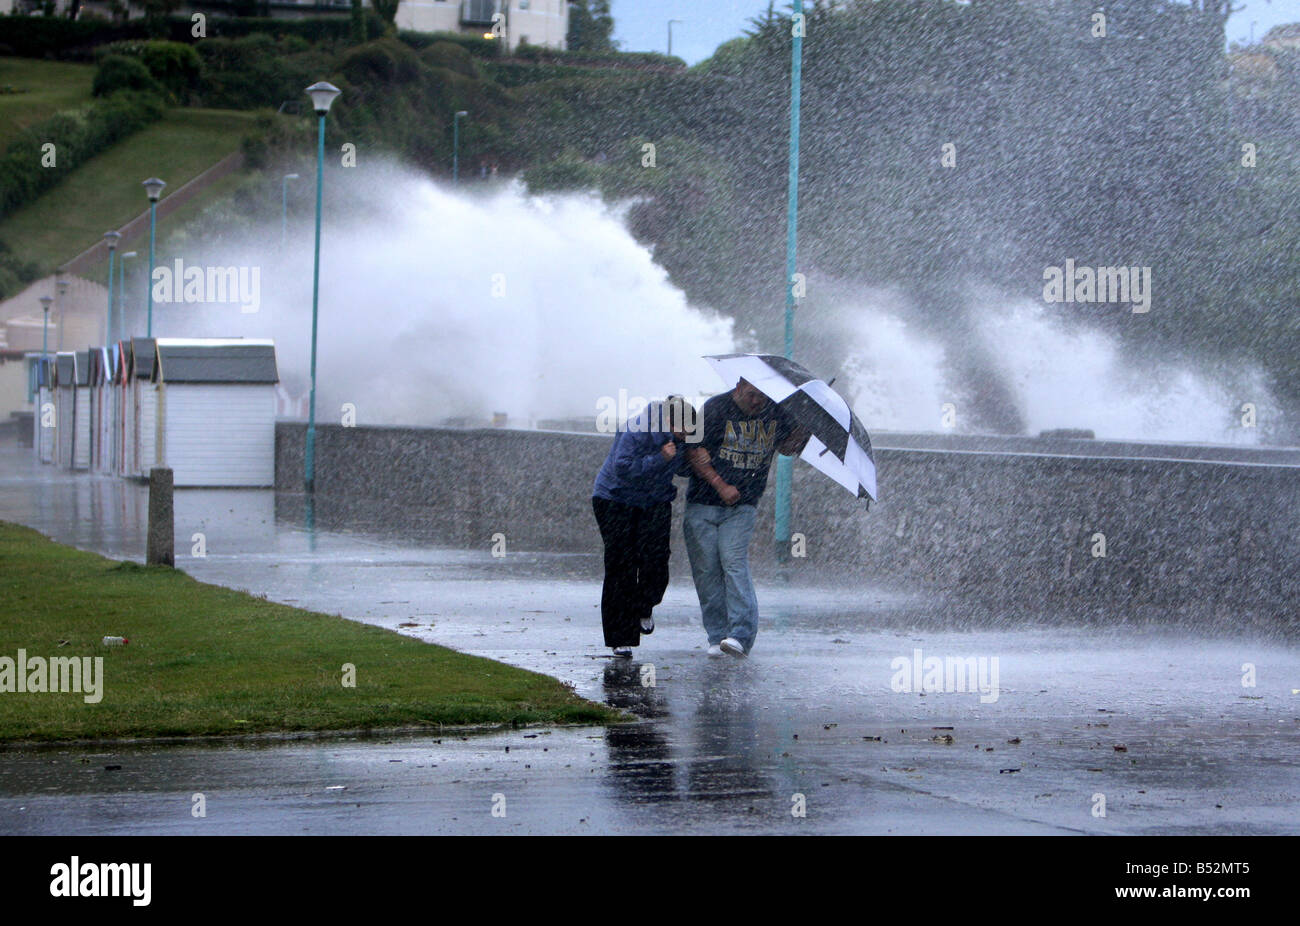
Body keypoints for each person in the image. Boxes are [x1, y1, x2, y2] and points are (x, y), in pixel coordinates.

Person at [683, 379, 809, 658]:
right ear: (739, 387)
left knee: (733, 563)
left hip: (743, 505)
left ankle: (740, 636)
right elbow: (695, 450)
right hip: (703, 503)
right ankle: (717, 636)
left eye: (762, 397)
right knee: (706, 572)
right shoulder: (716, 408)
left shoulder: (776, 411)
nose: (757, 402)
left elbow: (787, 448)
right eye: (752, 396)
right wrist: (720, 485)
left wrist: (804, 427)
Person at [592, 396, 696, 658]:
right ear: (671, 421)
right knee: (621, 566)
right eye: (684, 431)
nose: (686, 436)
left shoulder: (682, 437)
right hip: (616, 499)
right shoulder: (638, 429)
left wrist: (694, 459)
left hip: (655, 500)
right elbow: (622, 468)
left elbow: (681, 466)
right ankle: (620, 638)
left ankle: (644, 605)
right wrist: (659, 458)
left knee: (657, 560)